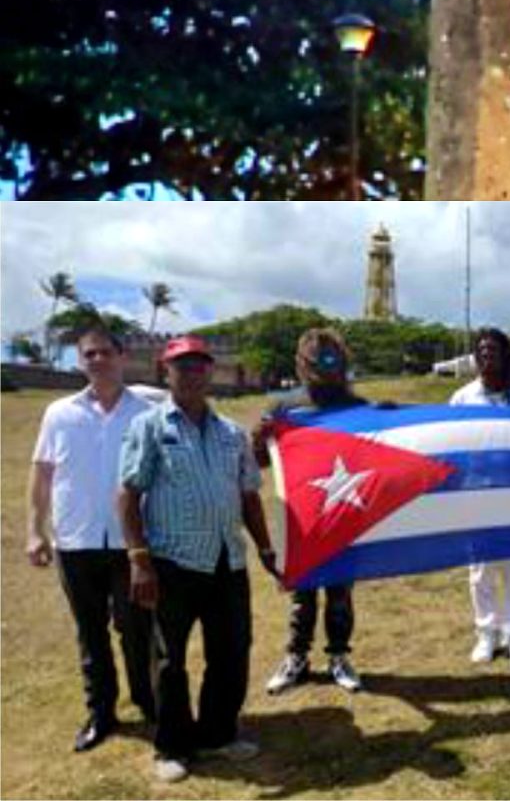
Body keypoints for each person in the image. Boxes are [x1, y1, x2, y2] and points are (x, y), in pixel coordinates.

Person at [118, 335, 278, 785]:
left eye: (198, 366)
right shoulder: (150, 427)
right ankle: (172, 745)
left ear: (210, 373)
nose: (191, 373)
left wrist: (265, 549)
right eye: (181, 366)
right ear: (164, 373)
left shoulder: (230, 434)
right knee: (169, 661)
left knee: (231, 654)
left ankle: (218, 734)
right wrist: (138, 559)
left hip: (228, 563)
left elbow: (248, 496)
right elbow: (128, 495)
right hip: (172, 563)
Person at [27, 327, 156, 753]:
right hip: (75, 540)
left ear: (121, 356)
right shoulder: (58, 412)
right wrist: (34, 530)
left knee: (136, 629)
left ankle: (149, 704)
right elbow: (43, 472)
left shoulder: (147, 409)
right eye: (89, 354)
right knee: (90, 633)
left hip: (130, 541)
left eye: (105, 352)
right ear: (80, 360)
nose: (97, 360)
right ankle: (101, 712)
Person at [253, 328, 368, 695]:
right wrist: (259, 438)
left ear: (344, 361)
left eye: (332, 361)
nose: (325, 369)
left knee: (340, 593)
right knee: (302, 594)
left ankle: (338, 656)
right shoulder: (283, 407)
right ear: (301, 365)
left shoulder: (356, 406)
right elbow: (257, 463)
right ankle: (297, 658)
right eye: (316, 362)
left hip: (344, 513)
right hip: (300, 519)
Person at [449, 327, 510, 671]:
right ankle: (486, 634)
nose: (487, 356)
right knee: (481, 571)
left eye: (493, 350)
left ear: (505, 356)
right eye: (481, 351)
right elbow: (451, 447)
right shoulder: (461, 399)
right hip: (477, 495)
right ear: (475, 357)